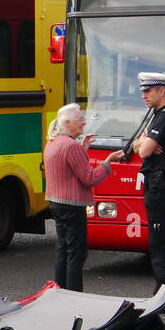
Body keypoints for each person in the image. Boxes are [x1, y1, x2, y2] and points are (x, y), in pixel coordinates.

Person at [43, 103, 124, 292]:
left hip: (56, 202)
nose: (84, 122)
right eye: (80, 119)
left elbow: (69, 168)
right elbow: (89, 178)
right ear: (67, 122)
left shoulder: (53, 142)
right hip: (72, 205)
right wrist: (108, 162)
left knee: (63, 249)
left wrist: (83, 148)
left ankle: (59, 290)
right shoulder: (71, 146)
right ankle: (75, 294)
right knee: (77, 253)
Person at [127, 72, 165, 307]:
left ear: (162, 90)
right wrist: (142, 141)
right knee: (159, 238)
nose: (143, 95)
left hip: (161, 184)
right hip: (157, 181)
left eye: (148, 91)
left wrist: (143, 143)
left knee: (161, 240)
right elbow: (139, 145)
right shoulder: (160, 114)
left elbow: (142, 151)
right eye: (143, 91)